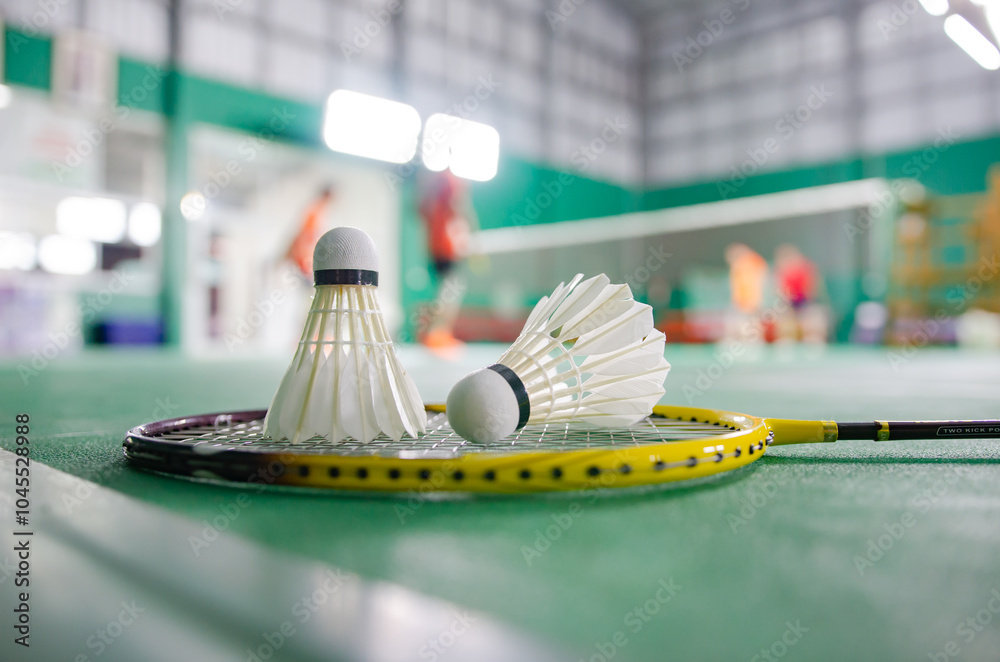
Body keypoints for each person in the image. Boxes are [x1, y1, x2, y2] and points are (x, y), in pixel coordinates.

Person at [417, 170, 477, 355]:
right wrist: (469, 232)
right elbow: (459, 205)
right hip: (446, 248)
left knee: (444, 291)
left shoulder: (431, 189)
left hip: (434, 248)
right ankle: (436, 333)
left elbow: (420, 210)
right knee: (450, 291)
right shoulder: (450, 182)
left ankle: (435, 333)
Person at [773, 244, 827, 343]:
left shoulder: (806, 269)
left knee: (812, 323)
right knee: (786, 322)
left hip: (805, 301)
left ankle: (813, 339)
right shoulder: (782, 272)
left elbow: (811, 290)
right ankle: (787, 339)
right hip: (790, 303)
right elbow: (781, 291)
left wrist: (805, 306)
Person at [285, 186, 335, 278]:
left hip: (308, 258)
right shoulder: (315, 212)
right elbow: (304, 235)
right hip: (304, 258)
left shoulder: (320, 212)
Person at [724, 242, 768, 342]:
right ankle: (735, 341)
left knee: (752, 323)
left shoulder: (753, 264)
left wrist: (754, 301)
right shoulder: (737, 267)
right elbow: (736, 287)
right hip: (740, 302)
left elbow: (757, 285)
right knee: (735, 321)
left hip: (751, 301)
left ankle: (754, 342)